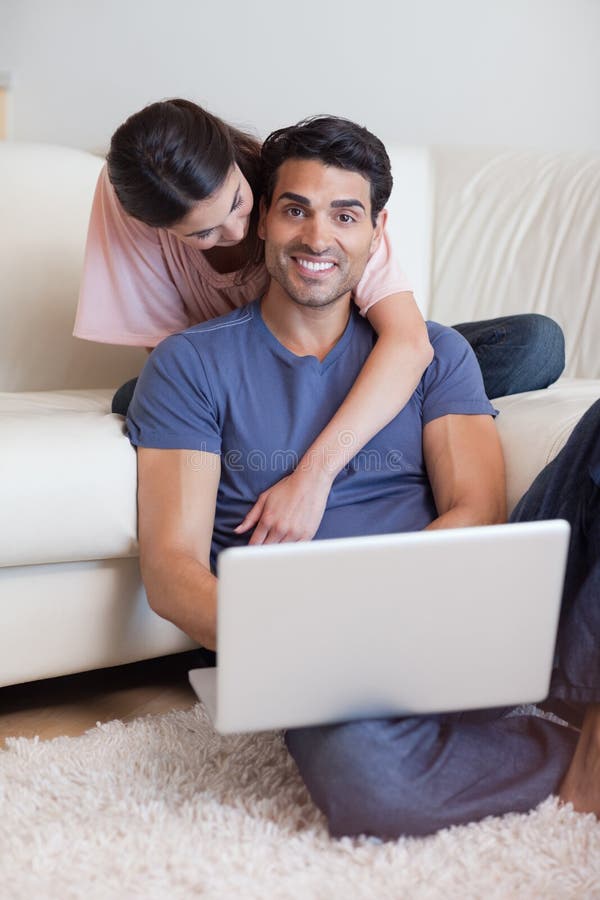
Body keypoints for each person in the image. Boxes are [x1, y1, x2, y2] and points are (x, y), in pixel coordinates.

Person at [126, 114, 600, 838]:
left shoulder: (435, 353)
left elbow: (477, 509)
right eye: (295, 210)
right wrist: (305, 647)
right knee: (371, 783)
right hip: (327, 662)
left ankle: (563, 700)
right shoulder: (191, 365)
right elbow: (171, 567)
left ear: (376, 232)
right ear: (264, 224)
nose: (318, 238)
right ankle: (559, 745)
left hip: (454, 607)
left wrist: (409, 612)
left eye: (344, 215)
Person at [74, 98, 565, 545]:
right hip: (235, 374)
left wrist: (314, 473)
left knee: (526, 344)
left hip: (344, 351)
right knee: (144, 395)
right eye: (204, 232)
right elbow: (169, 349)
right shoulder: (131, 210)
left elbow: (410, 343)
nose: (236, 231)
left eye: (239, 205)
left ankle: (389, 398)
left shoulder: (314, 195)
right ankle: (367, 406)